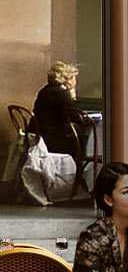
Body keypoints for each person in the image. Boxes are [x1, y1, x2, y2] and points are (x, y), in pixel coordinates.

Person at [22, 59, 84, 204]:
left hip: (41, 136)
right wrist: (72, 97)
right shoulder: (61, 94)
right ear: (68, 79)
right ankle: (78, 185)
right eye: (74, 77)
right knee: (81, 143)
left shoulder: (45, 90)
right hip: (53, 140)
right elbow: (75, 116)